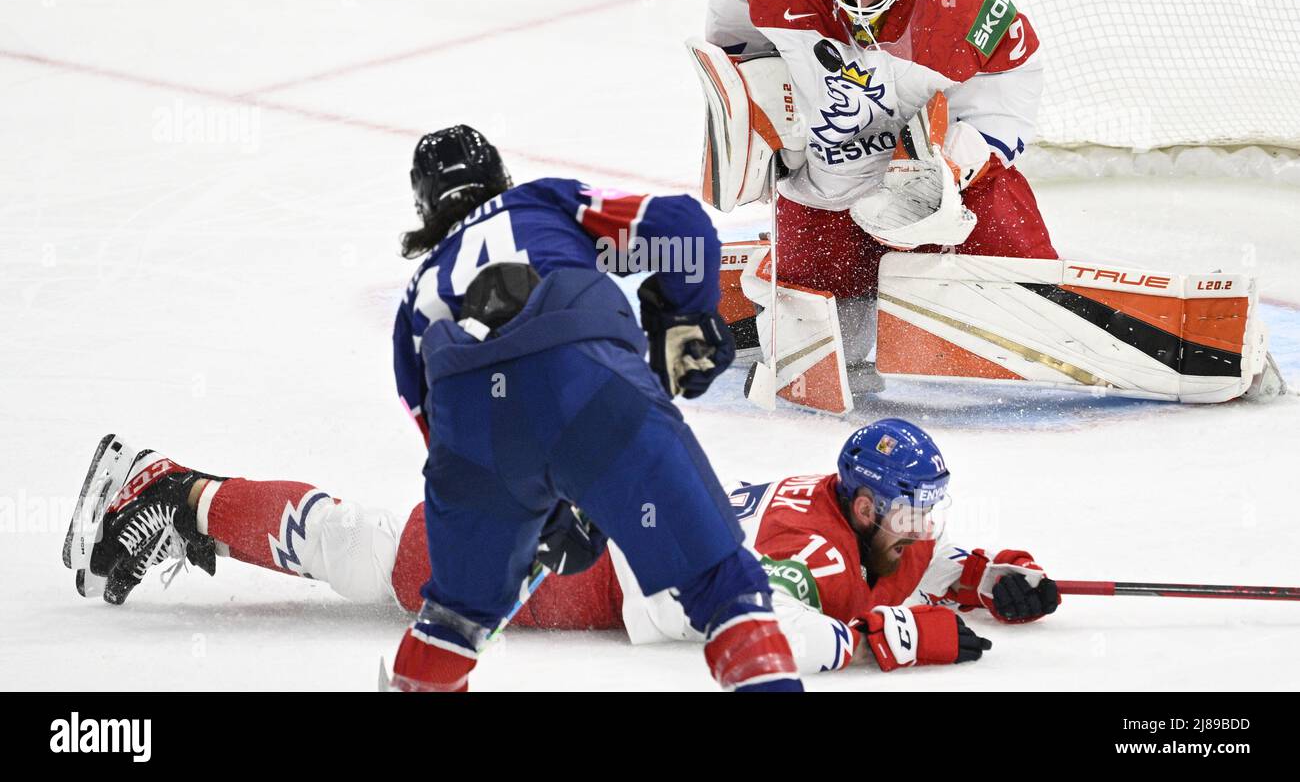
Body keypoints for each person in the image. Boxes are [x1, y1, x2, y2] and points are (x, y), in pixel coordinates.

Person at [63, 126, 802, 692]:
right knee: (726, 590)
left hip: (491, 450)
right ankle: (185, 494)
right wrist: (687, 315)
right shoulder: (542, 205)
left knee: (450, 618)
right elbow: (684, 226)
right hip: (601, 410)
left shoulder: (411, 311)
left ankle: (191, 497)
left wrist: (538, 513)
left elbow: (449, 451)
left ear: (424, 212)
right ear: (502, 180)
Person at [66, 415, 1058, 678]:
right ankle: (173, 491)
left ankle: (188, 502)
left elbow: (896, 569)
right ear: (871, 506)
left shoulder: (838, 512)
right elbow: (772, 631)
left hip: (589, 527)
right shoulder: (825, 553)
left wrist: (984, 573)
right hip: (573, 559)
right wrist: (904, 639)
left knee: (370, 547)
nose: (924, 530)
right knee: (369, 555)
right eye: (915, 513)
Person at [703, 0, 1057, 392]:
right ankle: (828, 289)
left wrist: (956, 164)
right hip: (824, 184)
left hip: (932, 192)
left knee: (1026, 289)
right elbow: (733, 18)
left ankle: (1043, 300)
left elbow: (1012, 81)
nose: (861, 0)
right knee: (818, 362)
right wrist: (755, 91)